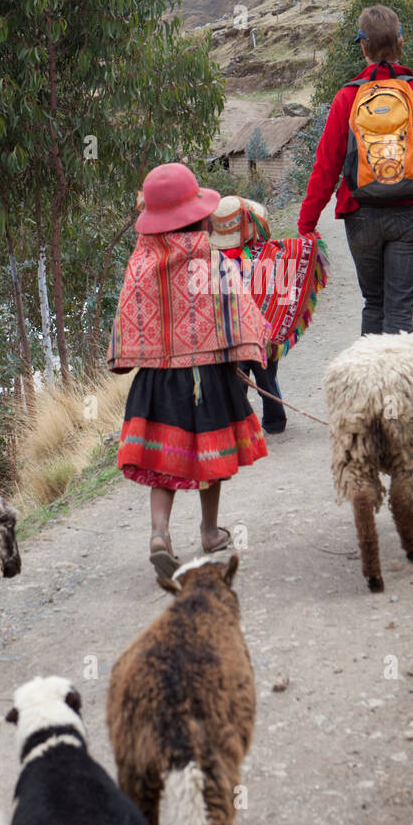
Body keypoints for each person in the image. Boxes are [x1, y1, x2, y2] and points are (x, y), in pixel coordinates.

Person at [107, 163, 268, 578]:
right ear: (198, 216)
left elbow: (129, 318)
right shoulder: (209, 260)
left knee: (164, 459)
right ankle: (210, 531)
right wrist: (242, 357)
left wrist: (128, 359)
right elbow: (238, 314)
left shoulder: (140, 263)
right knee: (209, 455)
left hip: (158, 381)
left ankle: (159, 534)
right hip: (208, 376)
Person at [298, 4, 413, 334]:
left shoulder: (347, 98)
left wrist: (307, 223)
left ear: (363, 47)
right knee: (400, 309)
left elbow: (326, 166)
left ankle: (369, 383)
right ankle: (397, 385)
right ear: (400, 43)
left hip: (360, 215)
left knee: (374, 304)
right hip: (411, 213)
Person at [210, 196, 287, 435]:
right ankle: (260, 422)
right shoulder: (267, 255)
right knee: (256, 376)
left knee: (248, 376)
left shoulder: (216, 261)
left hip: (244, 332)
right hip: (249, 331)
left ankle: (252, 423)